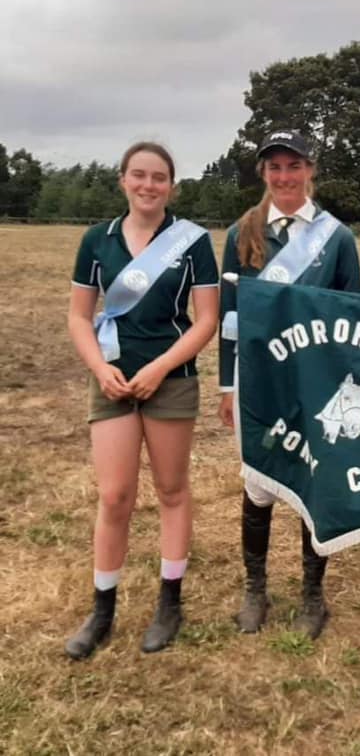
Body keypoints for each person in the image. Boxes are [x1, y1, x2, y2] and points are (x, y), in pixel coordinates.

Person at [65, 142, 219, 658]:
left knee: (172, 491)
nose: (148, 186)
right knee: (115, 497)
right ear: (123, 180)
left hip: (170, 381)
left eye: (159, 178)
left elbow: (207, 321)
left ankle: (168, 603)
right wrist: (99, 369)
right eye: (139, 175)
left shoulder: (192, 242)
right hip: (111, 380)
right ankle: (102, 609)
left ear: (171, 186)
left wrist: (159, 368)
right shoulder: (96, 240)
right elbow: (79, 317)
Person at [219, 129, 360, 639]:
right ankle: (255, 588)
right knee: (258, 484)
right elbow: (229, 318)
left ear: (310, 170)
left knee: (310, 482)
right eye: (274, 167)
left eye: (293, 166)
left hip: (316, 383)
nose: (284, 176)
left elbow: (353, 318)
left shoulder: (338, 238)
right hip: (258, 379)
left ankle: (311, 594)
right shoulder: (243, 233)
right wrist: (226, 387)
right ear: (264, 173)